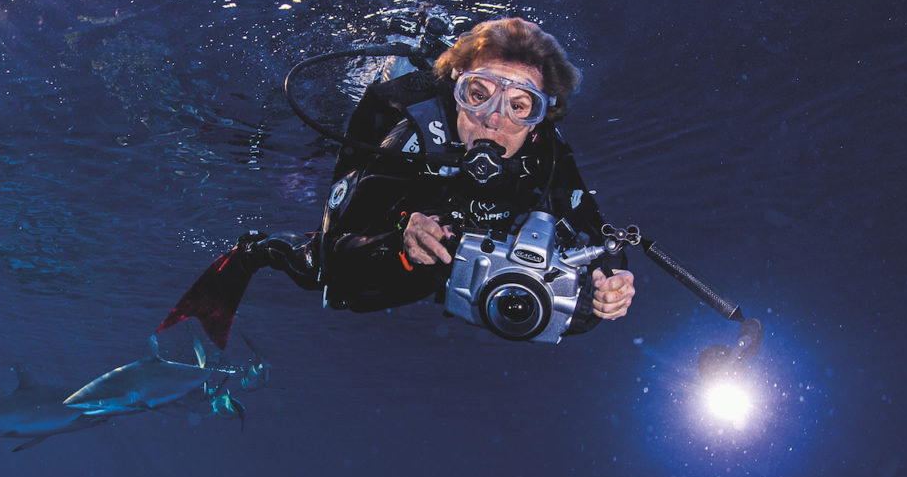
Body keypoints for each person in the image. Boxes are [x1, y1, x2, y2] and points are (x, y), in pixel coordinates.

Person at [157, 17, 636, 347]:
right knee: (319, 274)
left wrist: (604, 295)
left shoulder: (547, 154)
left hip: (460, 257)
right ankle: (255, 250)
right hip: (388, 235)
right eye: (479, 94)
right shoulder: (413, 136)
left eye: (518, 105)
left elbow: (600, 242)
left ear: (540, 117)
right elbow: (339, 256)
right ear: (456, 90)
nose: (492, 120)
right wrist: (400, 243)